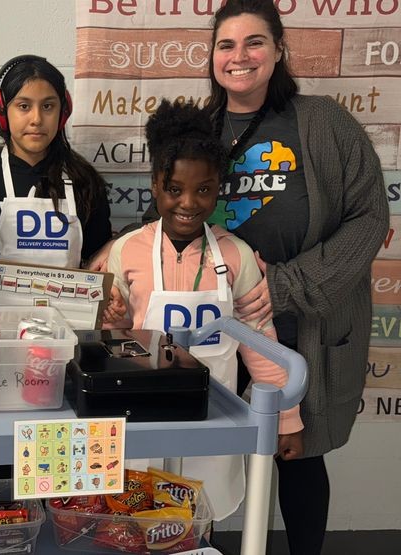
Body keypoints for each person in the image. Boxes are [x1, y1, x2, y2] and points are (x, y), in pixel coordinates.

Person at [130, 1, 385, 551]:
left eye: (254, 43)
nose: (239, 56)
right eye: (226, 44)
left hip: (298, 328)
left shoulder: (324, 123)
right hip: (212, 330)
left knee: (297, 454)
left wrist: (286, 287)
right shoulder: (201, 129)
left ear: (278, 51)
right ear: (212, 56)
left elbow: (370, 219)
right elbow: (167, 212)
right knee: (198, 459)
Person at [107, 99, 303, 521]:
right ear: (155, 185)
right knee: (139, 519)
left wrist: (287, 418)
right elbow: (116, 332)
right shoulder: (127, 251)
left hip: (214, 416)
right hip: (142, 415)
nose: (189, 203)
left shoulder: (236, 255)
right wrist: (114, 317)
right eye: (174, 189)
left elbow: (259, 338)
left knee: (199, 517)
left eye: (204, 190)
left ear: (219, 188)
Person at [0, 54, 113, 292]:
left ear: (63, 112)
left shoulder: (84, 181)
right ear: (2, 111)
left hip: (68, 320)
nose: (36, 119)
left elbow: (98, 257)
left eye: (48, 106)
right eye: (23, 106)